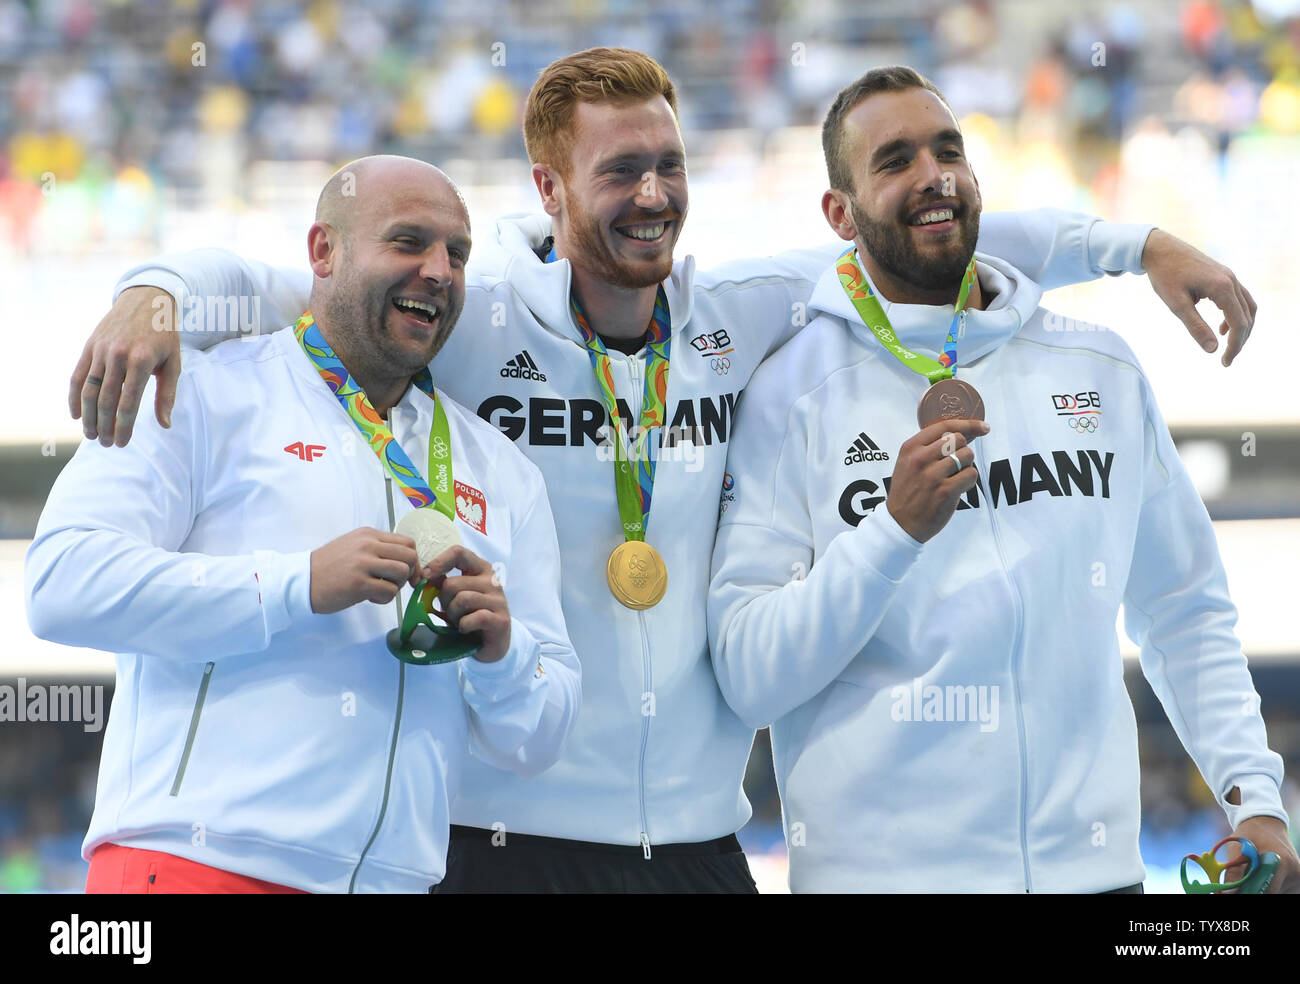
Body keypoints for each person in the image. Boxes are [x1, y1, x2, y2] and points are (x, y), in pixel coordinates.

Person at [67, 48, 1258, 893]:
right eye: (617, 172)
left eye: (669, 166)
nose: (652, 196)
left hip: (692, 841)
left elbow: (924, 221)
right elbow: (295, 285)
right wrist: (157, 290)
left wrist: (1139, 246)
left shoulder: (739, 313)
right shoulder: (468, 315)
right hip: (496, 831)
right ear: (548, 191)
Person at [706, 66, 1297, 893]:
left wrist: (1251, 795)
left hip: (1098, 877)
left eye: (949, 150)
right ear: (839, 214)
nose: (932, 175)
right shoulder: (788, 397)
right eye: (895, 160)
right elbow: (747, 672)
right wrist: (890, 533)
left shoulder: (1097, 365)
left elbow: (1183, 608)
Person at [26, 156, 580, 894]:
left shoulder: (500, 469)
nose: (440, 271)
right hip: (200, 866)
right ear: (324, 252)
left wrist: (503, 655)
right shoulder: (202, 390)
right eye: (409, 242)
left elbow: (537, 738)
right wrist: (295, 583)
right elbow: (62, 581)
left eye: (458, 253)